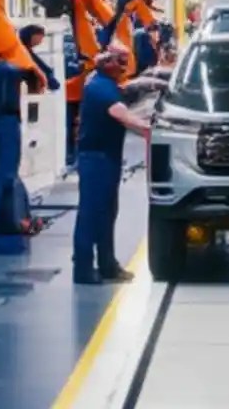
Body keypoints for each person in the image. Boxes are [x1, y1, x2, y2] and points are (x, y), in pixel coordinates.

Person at [73, 47, 151, 284]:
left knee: (107, 212)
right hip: (96, 159)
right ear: (108, 63)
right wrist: (150, 130)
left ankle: (108, 265)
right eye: (122, 63)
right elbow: (122, 115)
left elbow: (126, 91)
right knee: (91, 214)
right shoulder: (101, 88)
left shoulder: (102, 82)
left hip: (107, 157)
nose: (124, 68)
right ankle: (83, 269)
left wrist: (151, 82)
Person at [0, 60, 39, 235]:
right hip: (8, 125)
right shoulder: (8, 71)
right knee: (5, 174)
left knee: (4, 174)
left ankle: (20, 215)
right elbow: (34, 78)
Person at [18, 24, 63, 93]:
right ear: (33, 36)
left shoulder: (24, 49)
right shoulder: (23, 50)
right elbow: (41, 67)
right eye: (41, 36)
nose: (41, 40)